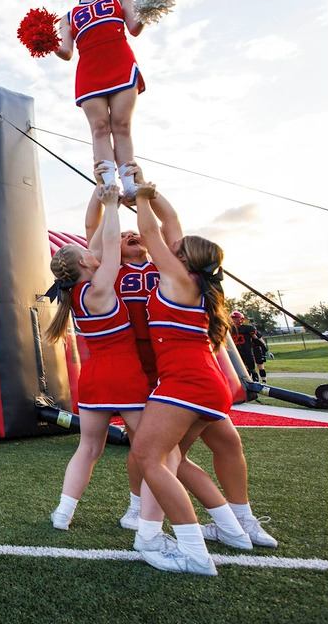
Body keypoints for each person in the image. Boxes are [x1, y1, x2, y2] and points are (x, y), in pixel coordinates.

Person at [85, 168, 277, 551]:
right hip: (142, 367)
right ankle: (140, 510)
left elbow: (166, 225)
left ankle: (239, 519)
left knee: (223, 443)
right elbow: (97, 225)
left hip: (180, 369)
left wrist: (145, 193)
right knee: (155, 451)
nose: (131, 236)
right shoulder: (109, 267)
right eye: (122, 236)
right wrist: (111, 197)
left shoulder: (169, 266)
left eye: (135, 234)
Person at [129, 181, 239, 575]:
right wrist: (148, 192)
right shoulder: (195, 281)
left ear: (183, 258)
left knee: (148, 457)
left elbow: (150, 233)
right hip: (207, 385)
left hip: (186, 384)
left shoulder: (177, 278)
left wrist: (140, 199)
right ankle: (233, 531)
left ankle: (192, 552)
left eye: (176, 247)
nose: (169, 246)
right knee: (171, 459)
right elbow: (170, 221)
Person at [44, 183, 156, 532]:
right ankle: (141, 515)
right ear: (84, 262)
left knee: (88, 449)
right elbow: (107, 246)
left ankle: (62, 512)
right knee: (149, 452)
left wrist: (103, 195)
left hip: (93, 377)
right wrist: (111, 207)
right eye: (87, 254)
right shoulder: (100, 288)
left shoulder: (74, 294)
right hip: (125, 375)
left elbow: (94, 250)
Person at [55, 0, 146, 204]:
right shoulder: (69, 16)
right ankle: (108, 185)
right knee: (99, 128)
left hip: (120, 63)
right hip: (89, 70)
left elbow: (135, 28)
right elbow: (67, 52)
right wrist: (47, 42)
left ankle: (130, 184)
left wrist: (150, 6)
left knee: (122, 125)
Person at [231, 312, 268, 385]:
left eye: (236, 318)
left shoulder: (247, 328)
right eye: (233, 318)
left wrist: (265, 350)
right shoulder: (229, 329)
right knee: (240, 369)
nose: (234, 320)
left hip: (247, 351)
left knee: (253, 368)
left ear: (241, 319)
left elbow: (257, 339)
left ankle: (258, 383)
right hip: (236, 352)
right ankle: (246, 384)